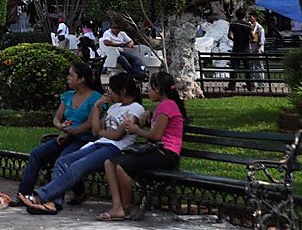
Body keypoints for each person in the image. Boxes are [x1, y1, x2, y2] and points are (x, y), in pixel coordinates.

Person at [20, 73, 145, 215]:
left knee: (77, 166)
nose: (109, 92)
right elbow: (96, 131)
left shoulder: (136, 108)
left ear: (122, 91)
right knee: (62, 162)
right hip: (99, 143)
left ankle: (40, 196)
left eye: (112, 89)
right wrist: (97, 107)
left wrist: (103, 133)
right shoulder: (113, 107)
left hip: (115, 148)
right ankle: (53, 203)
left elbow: (117, 136)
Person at [99, 72, 188, 221]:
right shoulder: (163, 106)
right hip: (156, 150)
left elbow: (156, 136)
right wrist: (148, 115)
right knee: (109, 162)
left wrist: (136, 130)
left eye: (150, 88)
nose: (148, 91)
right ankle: (117, 205)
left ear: (158, 89)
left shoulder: (167, 106)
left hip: (166, 153)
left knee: (122, 166)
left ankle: (125, 208)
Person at [15, 63, 103, 205]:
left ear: (81, 79)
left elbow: (89, 123)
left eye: (71, 75)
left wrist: (71, 132)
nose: (68, 78)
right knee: (37, 154)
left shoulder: (95, 98)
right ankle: (23, 194)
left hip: (83, 139)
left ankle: (53, 200)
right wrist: (61, 126)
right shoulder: (67, 96)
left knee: (63, 160)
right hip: (66, 136)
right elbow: (57, 118)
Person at [227, 8, 253, 91]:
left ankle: (232, 85)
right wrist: (248, 40)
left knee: (234, 68)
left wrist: (235, 40)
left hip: (236, 48)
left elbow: (229, 35)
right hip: (246, 49)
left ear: (236, 15)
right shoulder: (248, 25)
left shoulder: (233, 24)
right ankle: (249, 86)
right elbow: (252, 37)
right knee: (248, 68)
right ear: (244, 15)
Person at [249, 10, 266, 89]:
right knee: (251, 66)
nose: (249, 18)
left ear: (255, 18)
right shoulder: (251, 27)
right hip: (251, 49)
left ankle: (261, 83)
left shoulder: (260, 28)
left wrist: (258, 49)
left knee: (259, 67)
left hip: (257, 50)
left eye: (251, 17)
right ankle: (252, 83)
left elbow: (261, 41)